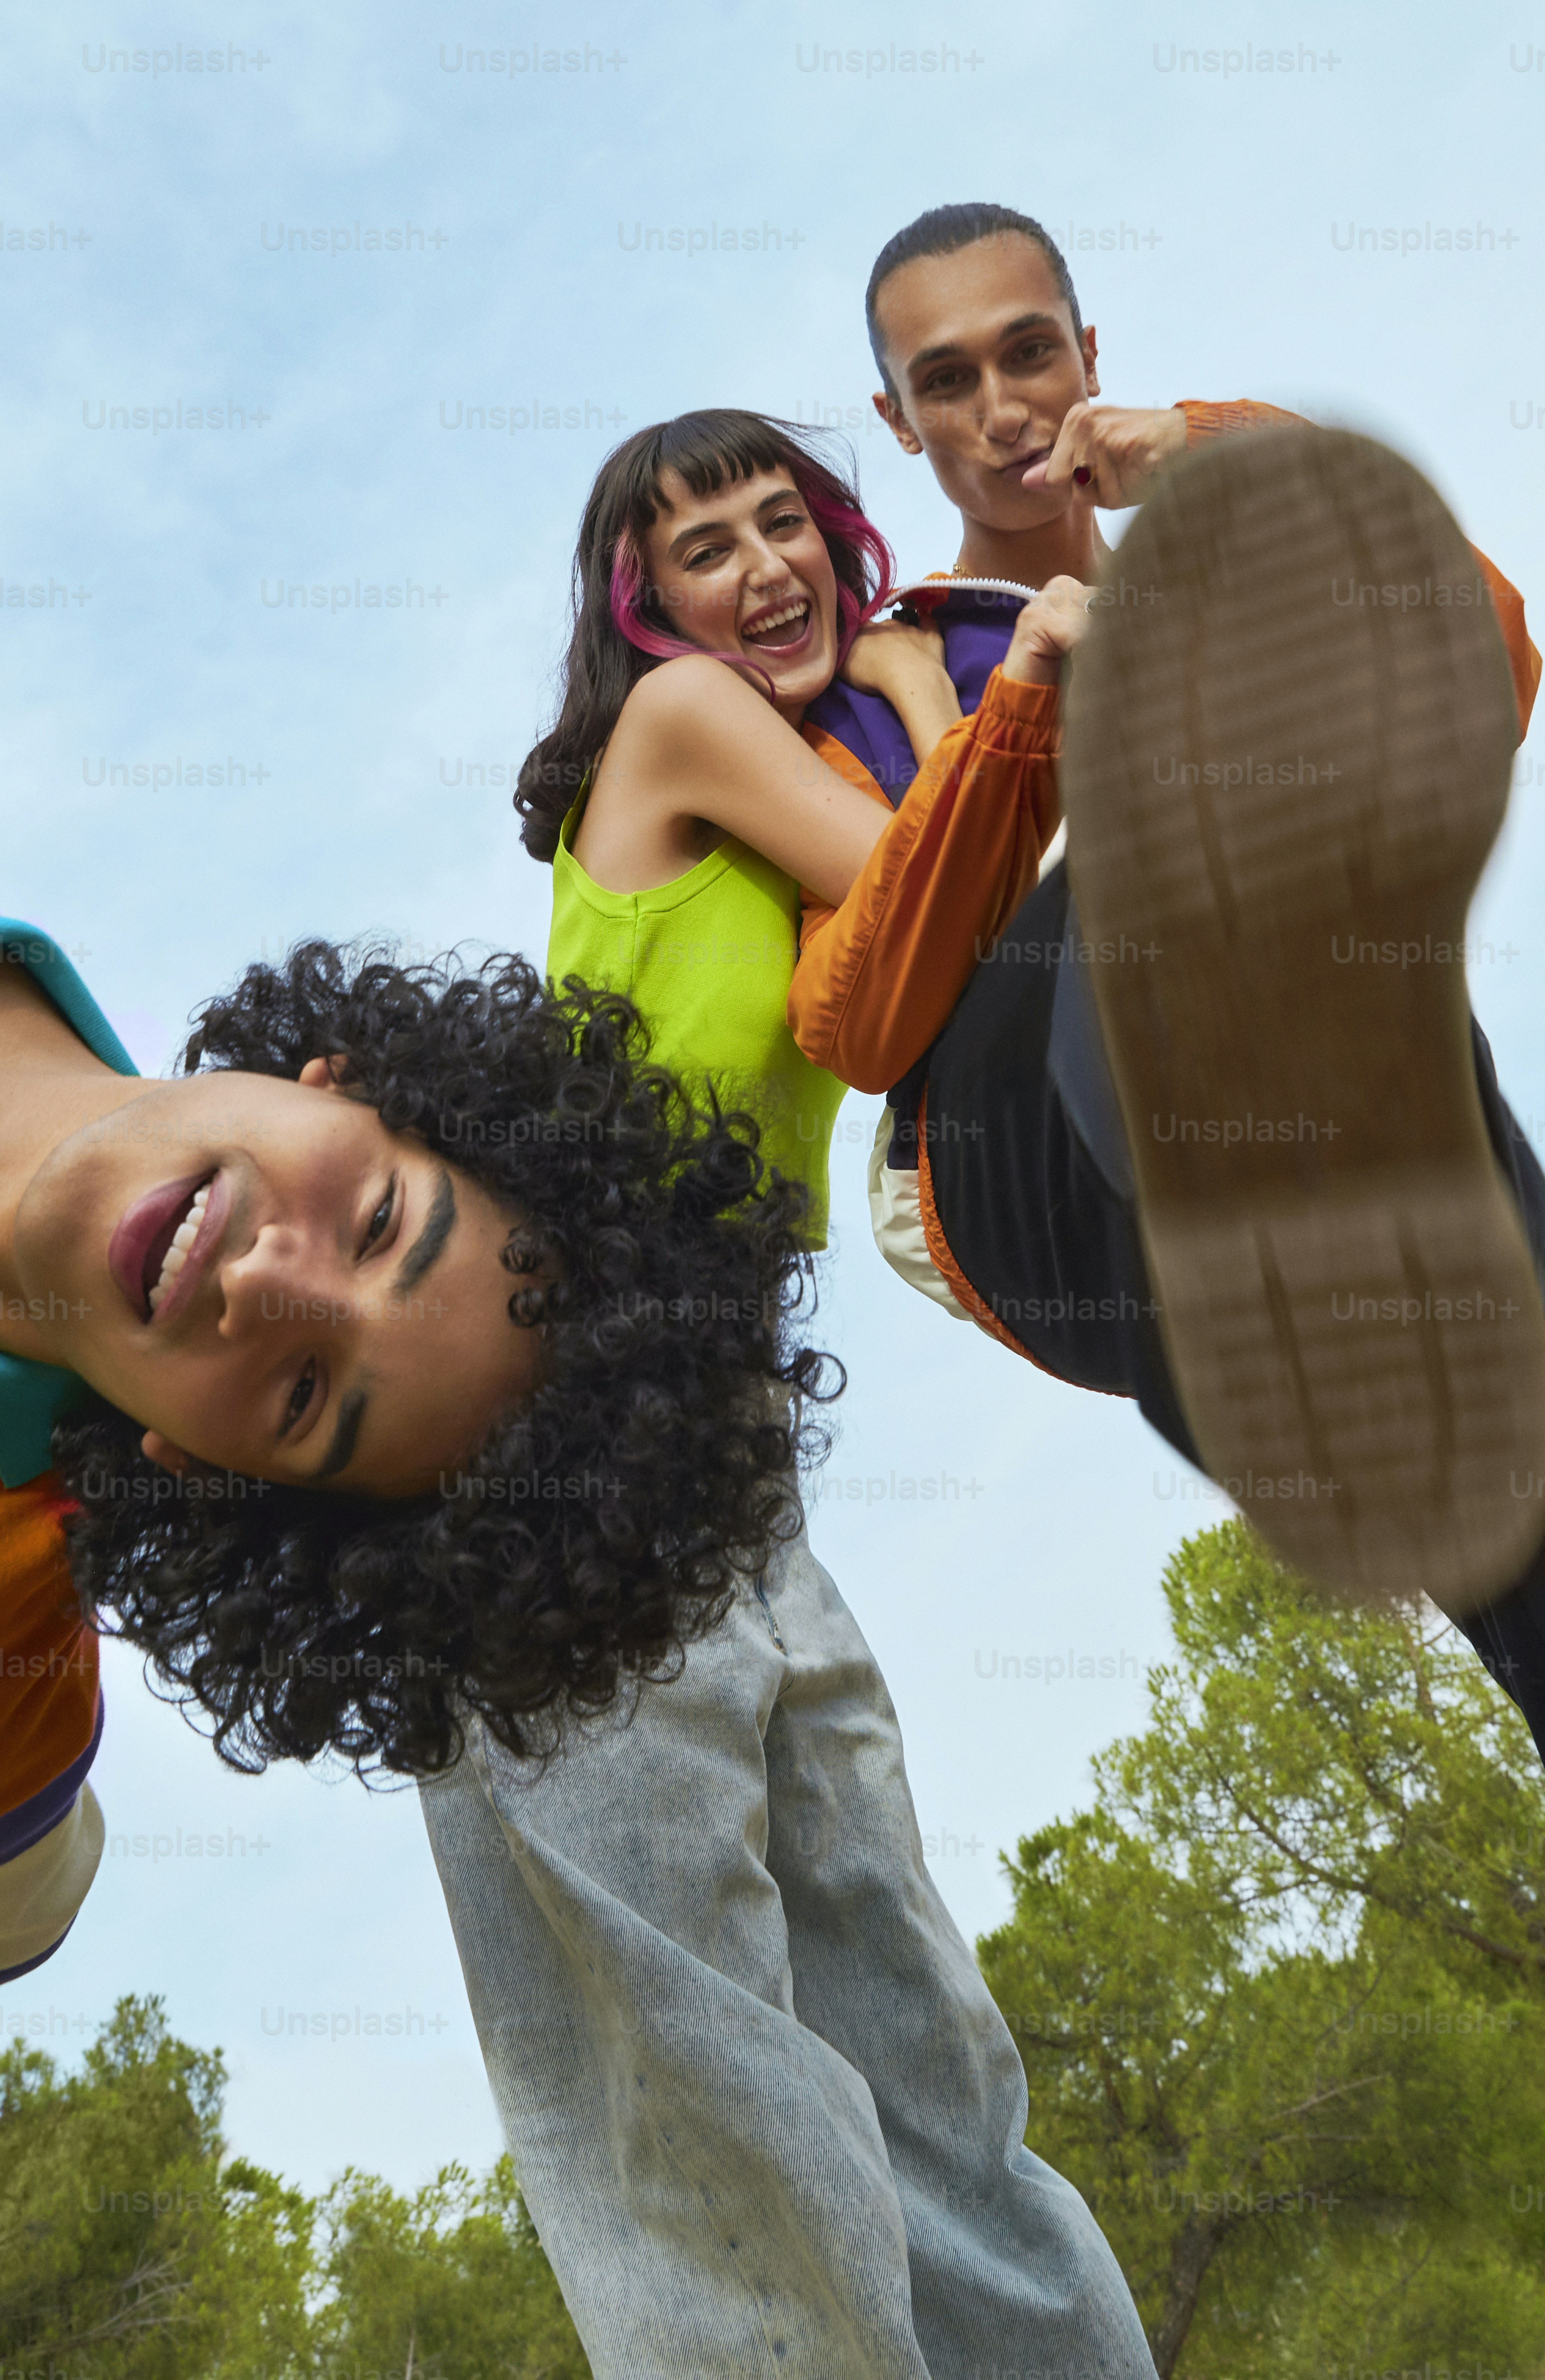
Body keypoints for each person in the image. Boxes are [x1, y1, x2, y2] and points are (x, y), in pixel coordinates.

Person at [0, 760, 830, 2376]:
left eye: (305, 1400)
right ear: (348, 1083)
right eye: (384, 1222)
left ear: (207, 1468)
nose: (272, 1288)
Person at [418, 412, 1163, 2377]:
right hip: (542, 1404)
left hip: (722, 1418)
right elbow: (925, 891)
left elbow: (945, 938)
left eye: (788, 524)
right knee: (704, 2084)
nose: (766, 570)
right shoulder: (684, 731)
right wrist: (924, 681)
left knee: (913, 2040)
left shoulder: (784, 772)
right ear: (641, 615)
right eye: (704, 551)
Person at [788, 203, 1545, 1740]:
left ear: (1089, 356)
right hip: (1016, 1157)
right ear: (898, 420)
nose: (1001, 410)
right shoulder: (873, 684)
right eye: (946, 382)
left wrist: (1210, 450)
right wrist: (1018, 709)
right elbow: (855, 1020)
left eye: (1028, 354)